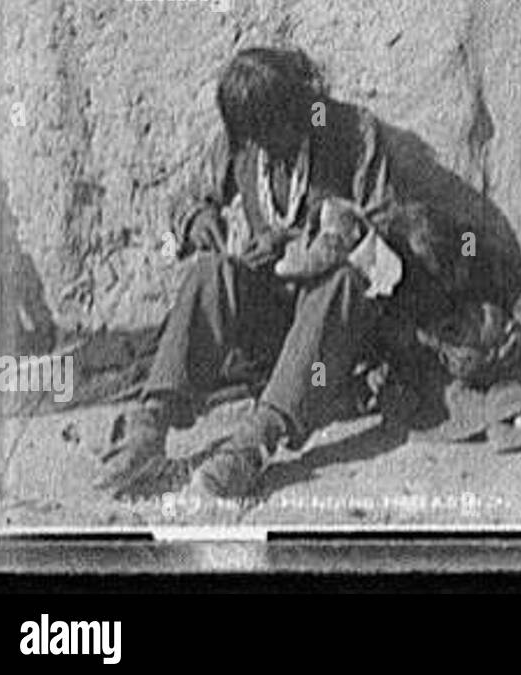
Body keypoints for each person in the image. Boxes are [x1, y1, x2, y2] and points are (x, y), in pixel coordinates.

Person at [95, 47, 458, 499]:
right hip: (272, 331)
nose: (267, 147)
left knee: (345, 282)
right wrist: (197, 220)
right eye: (257, 139)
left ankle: (253, 445)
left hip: (337, 337)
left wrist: (303, 244)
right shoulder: (243, 141)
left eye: (277, 132)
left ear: (300, 107)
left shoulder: (349, 132)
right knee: (213, 270)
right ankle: (150, 424)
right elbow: (190, 199)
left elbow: (386, 234)